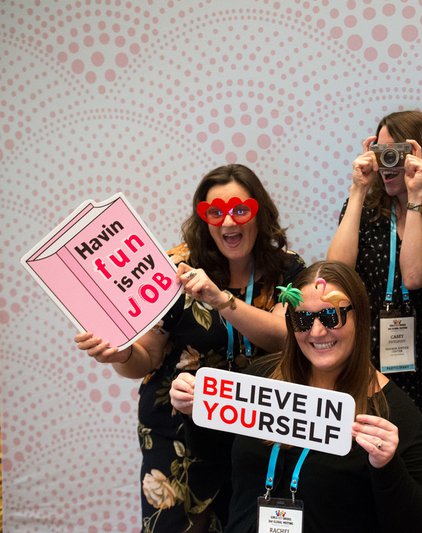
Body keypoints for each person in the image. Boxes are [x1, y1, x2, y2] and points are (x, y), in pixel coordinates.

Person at [74, 164, 305, 532]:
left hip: (256, 433)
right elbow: (145, 358)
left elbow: (282, 336)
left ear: (259, 212)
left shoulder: (287, 269)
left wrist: (220, 299)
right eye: (215, 212)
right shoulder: (174, 266)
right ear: (204, 219)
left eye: (240, 210)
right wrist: (121, 355)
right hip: (178, 433)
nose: (228, 223)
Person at [169, 261, 422, 532]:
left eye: (332, 316)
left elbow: (417, 522)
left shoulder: (393, 411)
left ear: (360, 317)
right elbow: (214, 456)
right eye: (303, 320)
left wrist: (387, 466)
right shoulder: (261, 377)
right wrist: (193, 412)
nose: (318, 332)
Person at [326, 110, 422, 430]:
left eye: (395, 153)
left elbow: (415, 277)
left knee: (406, 451)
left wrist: (415, 196)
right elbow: (336, 272)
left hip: (408, 356)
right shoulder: (364, 211)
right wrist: (358, 188)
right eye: (379, 153)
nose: (386, 162)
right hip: (353, 350)